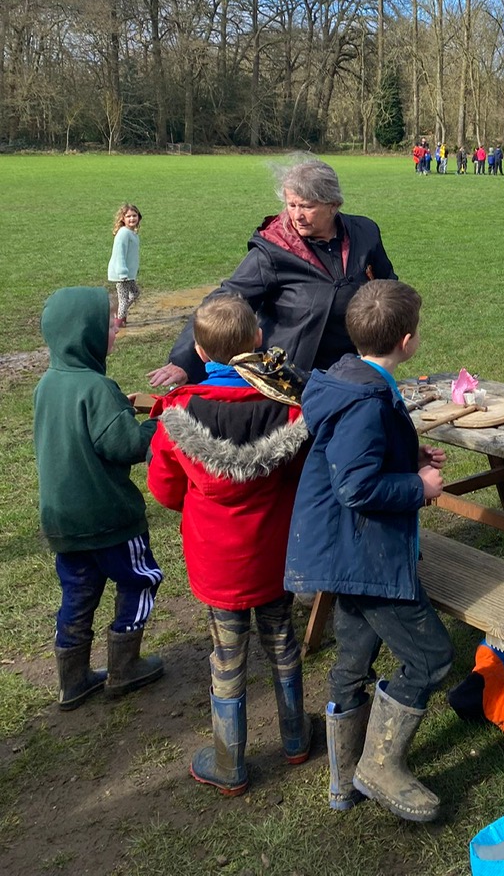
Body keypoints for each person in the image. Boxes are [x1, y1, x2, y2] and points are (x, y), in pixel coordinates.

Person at [285, 279, 453, 823]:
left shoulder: (348, 378)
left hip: (342, 551)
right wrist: (419, 487)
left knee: (353, 658)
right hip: (366, 555)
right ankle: (378, 768)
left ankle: (342, 781)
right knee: (430, 658)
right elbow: (356, 486)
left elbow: (355, 456)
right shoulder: (364, 399)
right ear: (407, 340)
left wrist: (407, 455)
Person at [148, 294, 312, 796]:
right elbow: (302, 477)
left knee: (226, 655)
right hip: (273, 551)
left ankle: (228, 762)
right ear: (259, 340)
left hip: (217, 558)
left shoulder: (178, 413)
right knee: (282, 639)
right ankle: (295, 738)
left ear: (199, 351)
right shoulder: (290, 410)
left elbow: (165, 487)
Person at [148, 158, 396, 389]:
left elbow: (388, 291)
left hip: (357, 371)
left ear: (334, 205)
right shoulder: (274, 248)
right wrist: (184, 360)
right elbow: (224, 300)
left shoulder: (365, 232)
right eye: (291, 205)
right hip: (294, 379)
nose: (297, 215)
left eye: (307, 206)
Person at [34, 287, 164, 711]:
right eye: (107, 323)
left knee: (77, 594)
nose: (116, 326)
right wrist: (157, 427)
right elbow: (123, 445)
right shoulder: (97, 387)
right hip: (108, 517)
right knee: (140, 579)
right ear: (84, 333)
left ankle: (72, 682)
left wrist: (117, 413)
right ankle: (124, 668)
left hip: (63, 521)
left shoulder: (47, 385)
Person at [108, 203, 142, 327]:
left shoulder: (132, 233)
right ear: (123, 218)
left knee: (135, 293)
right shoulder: (123, 234)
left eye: (134, 216)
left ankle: (120, 314)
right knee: (124, 298)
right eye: (128, 216)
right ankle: (119, 321)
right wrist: (122, 272)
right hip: (121, 274)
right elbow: (119, 254)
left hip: (129, 274)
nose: (132, 218)